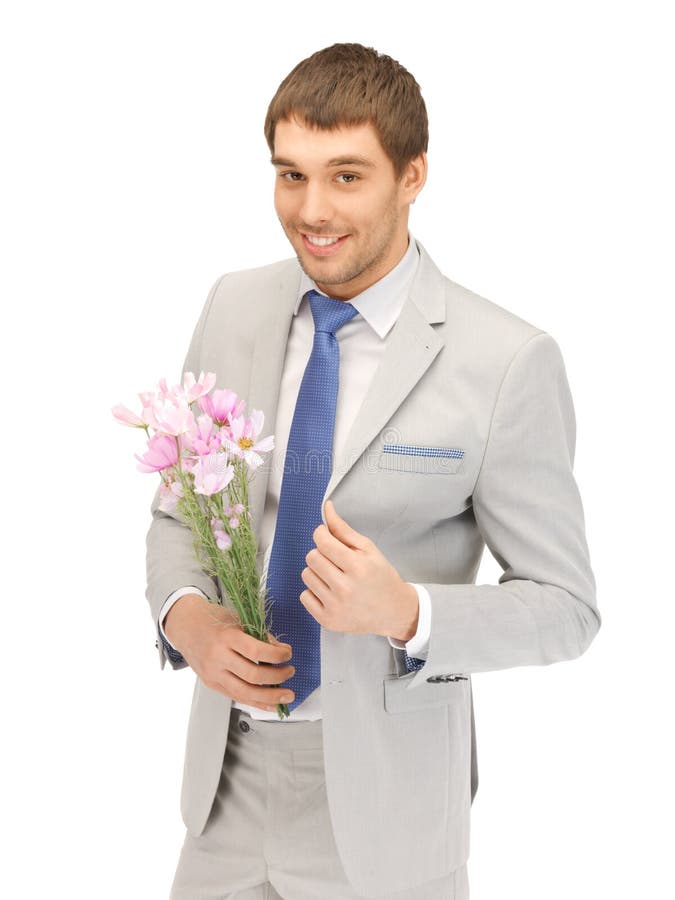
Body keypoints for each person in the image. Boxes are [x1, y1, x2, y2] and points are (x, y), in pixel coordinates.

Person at [145, 42, 600, 900]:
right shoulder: (232, 305)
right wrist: (187, 620)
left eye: (346, 176)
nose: (311, 210)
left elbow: (566, 609)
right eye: (290, 175)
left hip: (388, 813)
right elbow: (179, 511)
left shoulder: (505, 361)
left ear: (412, 175)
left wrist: (410, 614)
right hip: (224, 790)